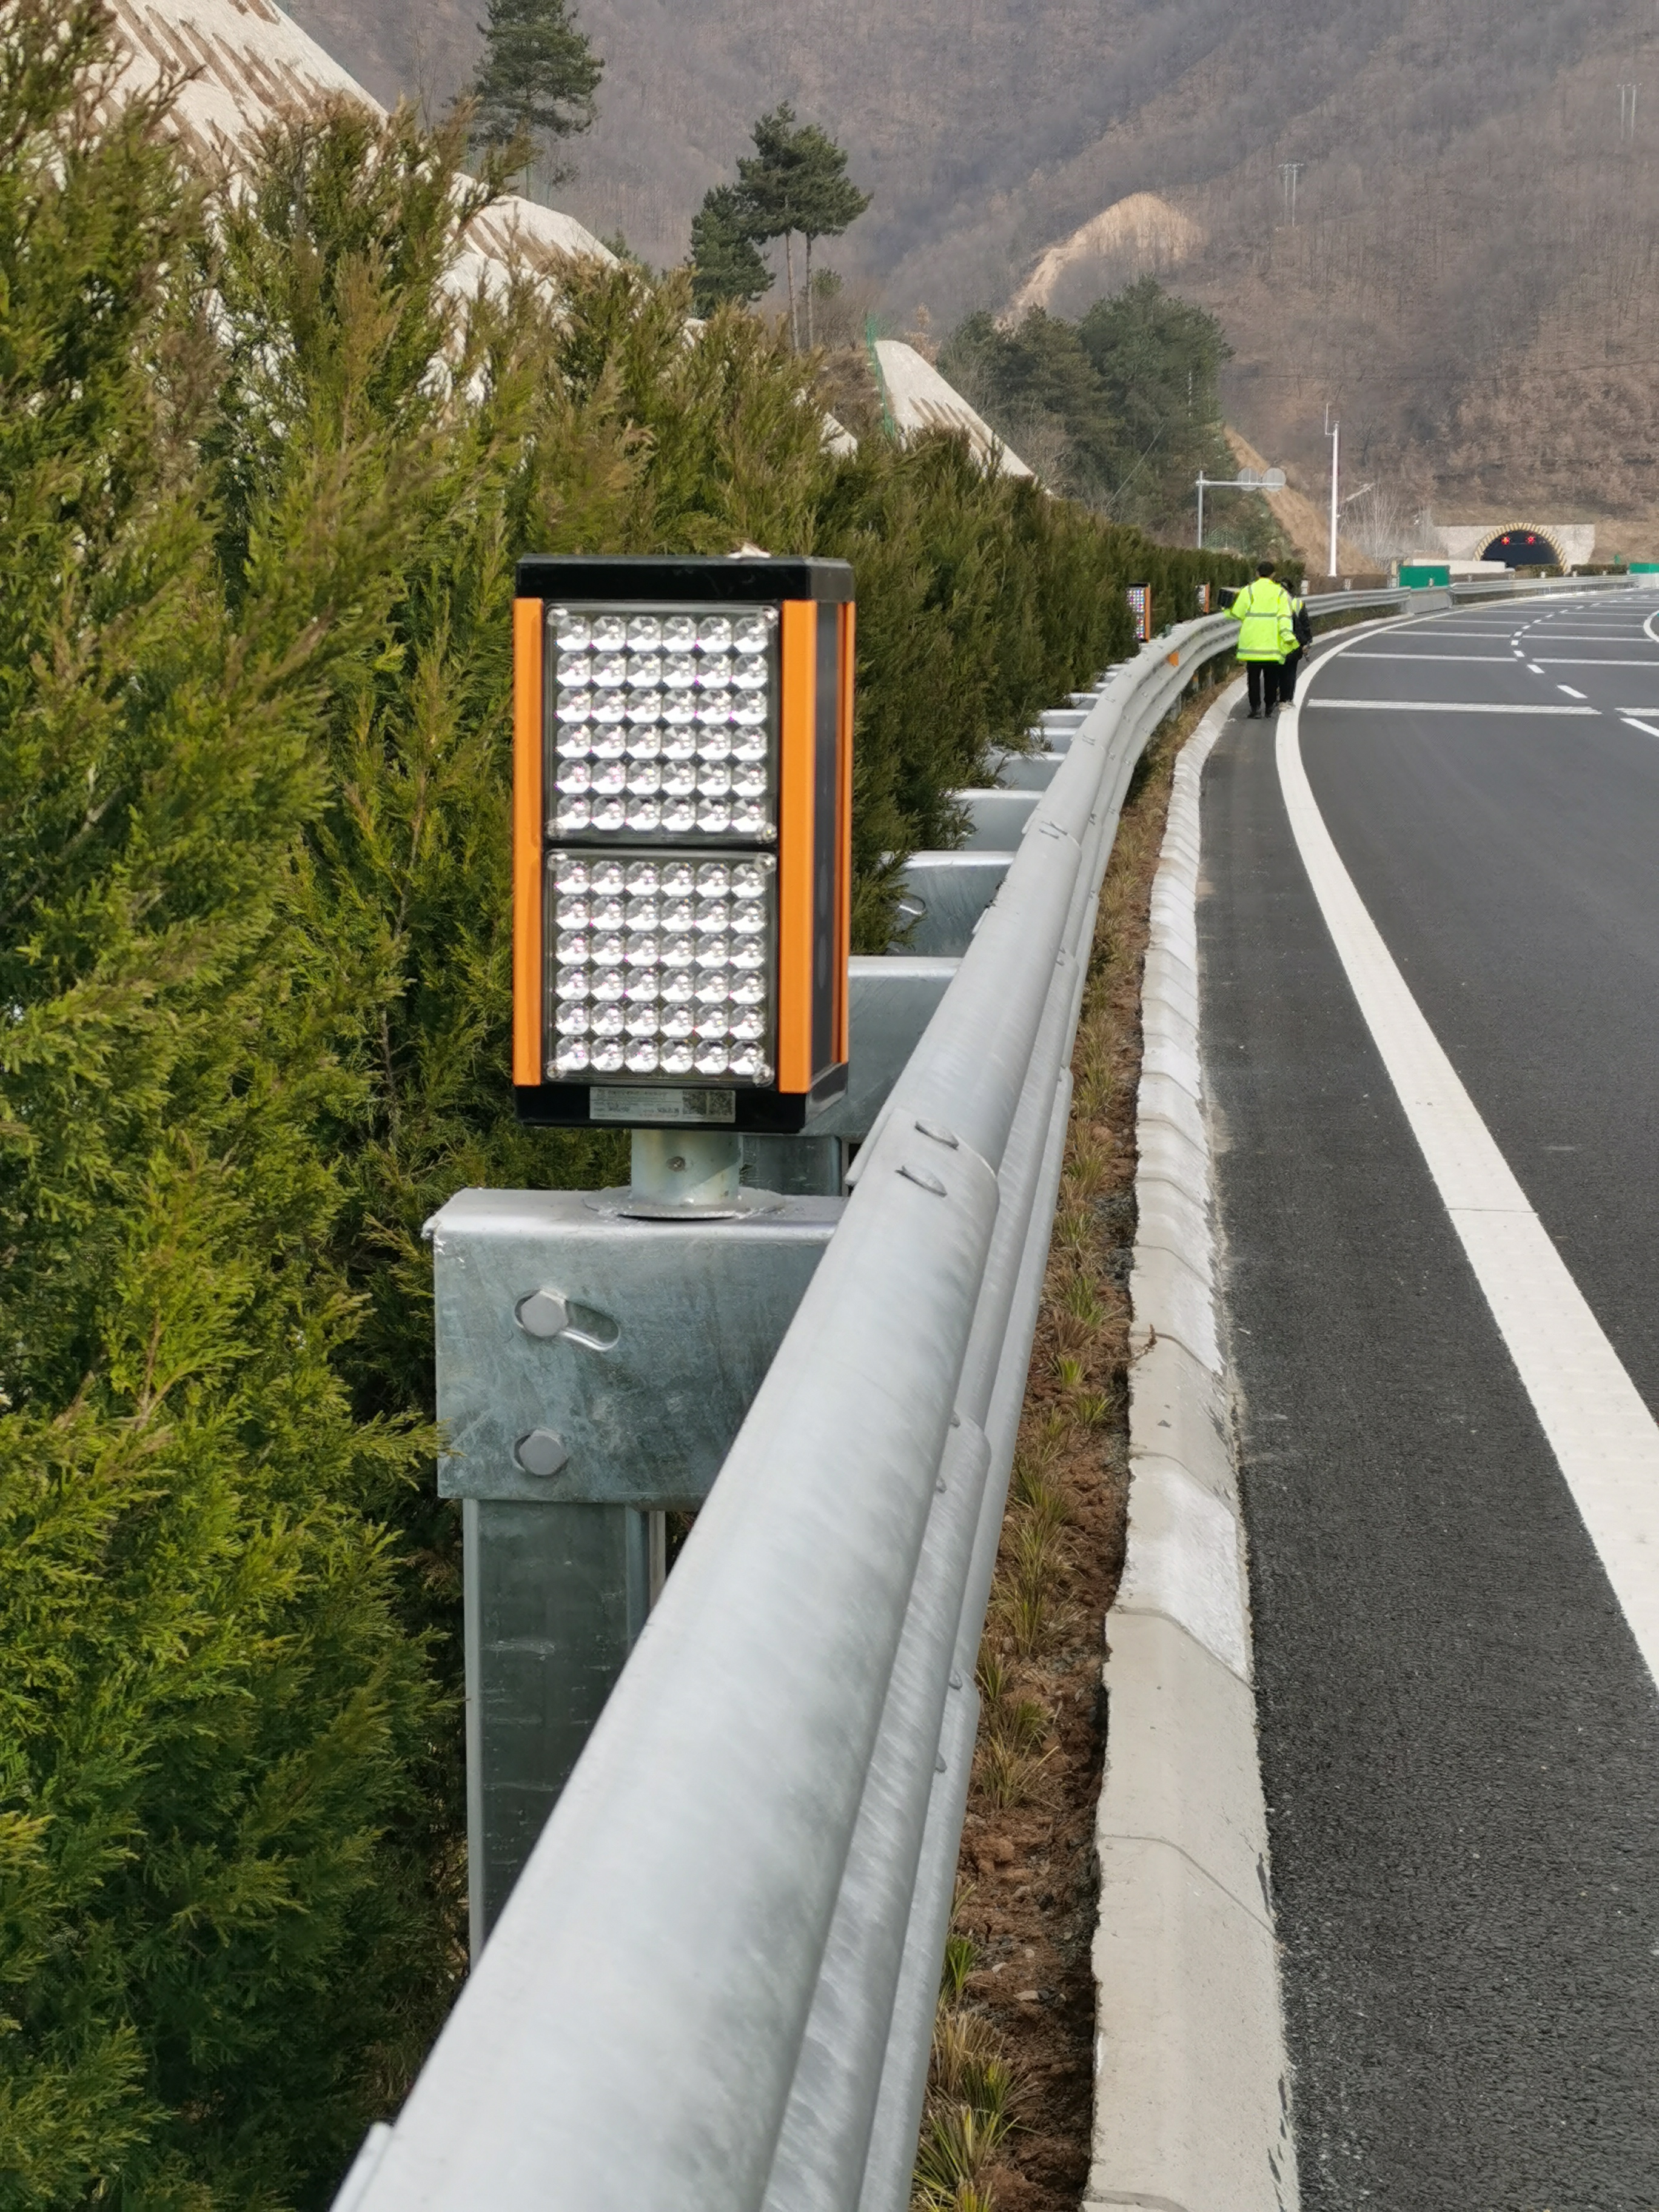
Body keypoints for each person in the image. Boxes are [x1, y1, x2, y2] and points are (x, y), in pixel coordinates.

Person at [1226, 561, 1296, 718]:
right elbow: (1285, 617)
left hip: (1252, 645)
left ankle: (1255, 708)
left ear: (1257, 573)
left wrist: (1226, 610)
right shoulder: (1280, 593)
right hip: (1272, 645)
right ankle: (1269, 706)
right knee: (1272, 678)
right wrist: (1288, 637)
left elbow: (1238, 613)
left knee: (1253, 678)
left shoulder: (1248, 591)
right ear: (1273, 575)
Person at [1279, 581, 1315, 705]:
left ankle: (1282, 696)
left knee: (1280, 671)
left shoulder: (1275, 602)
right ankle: (1288, 698)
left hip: (1279, 642)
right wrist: (1306, 641)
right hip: (1296, 643)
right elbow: (1304, 624)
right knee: (1291, 672)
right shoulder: (1298, 603)